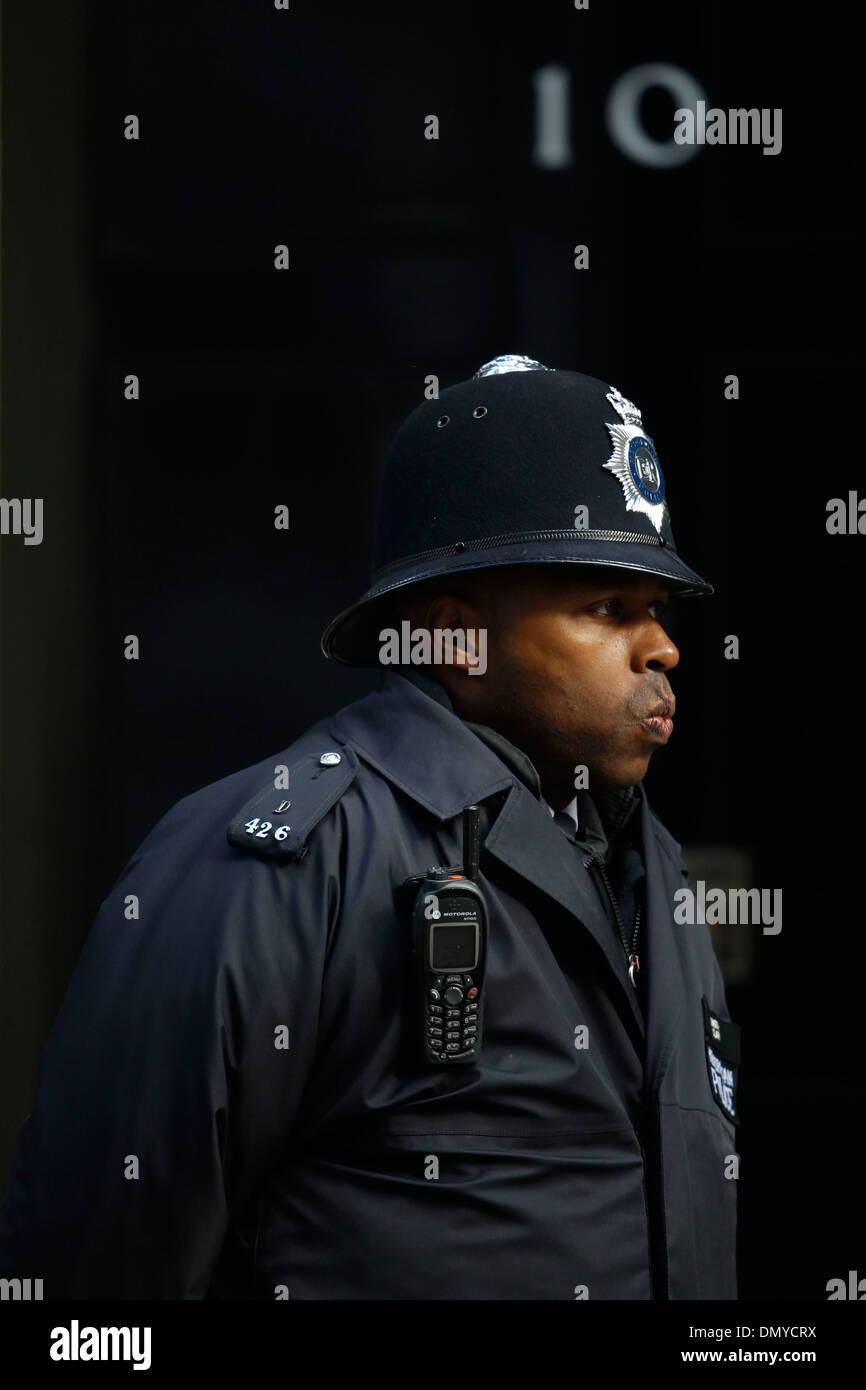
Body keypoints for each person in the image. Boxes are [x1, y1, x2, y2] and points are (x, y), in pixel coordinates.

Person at [0, 354, 740, 1299]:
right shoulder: (286, 860)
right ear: (453, 635)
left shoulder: (653, 869)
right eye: (608, 606)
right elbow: (89, 1271)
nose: (663, 644)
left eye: (659, 609)